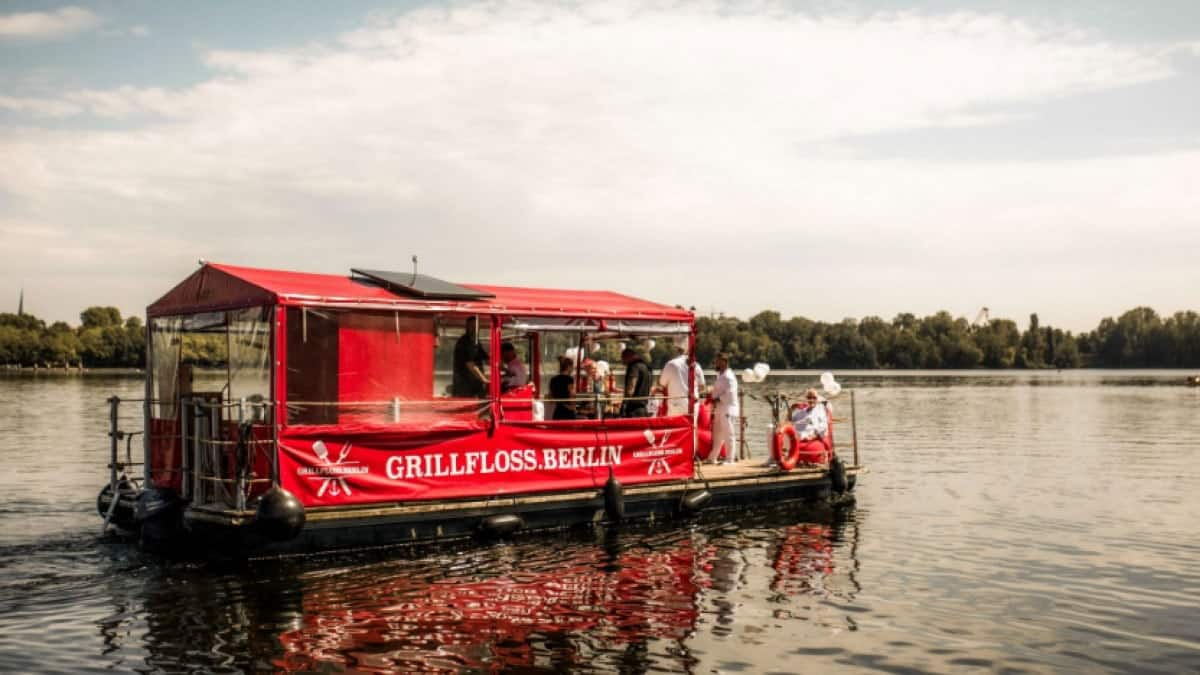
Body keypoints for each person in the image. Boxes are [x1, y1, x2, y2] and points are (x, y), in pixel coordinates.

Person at [657, 341, 705, 417]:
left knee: (675, 428)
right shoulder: (696, 365)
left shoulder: (671, 364)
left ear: (676, 350)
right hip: (693, 404)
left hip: (676, 406)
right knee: (692, 428)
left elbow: (662, 383)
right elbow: (702, 387)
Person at [707, 352, 739, 463]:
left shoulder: (729, 377)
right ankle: (713, 457)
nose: (715, 363)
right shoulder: (720, 375)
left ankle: (730, 459)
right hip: (720, 408)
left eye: (718, 361)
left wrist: (716, 399)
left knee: (728, 433)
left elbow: (730, 394)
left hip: (728, 408)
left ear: (724, 362)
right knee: (717, 434)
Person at [451, 316, 489, 397]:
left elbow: (486, 358)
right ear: (467, 327)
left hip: (475, 384)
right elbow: (470, 365)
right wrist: (484, 380)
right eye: (472, 326)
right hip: (464, 386)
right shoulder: (463, 342)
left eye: (476, 327)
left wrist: (504, 368)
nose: (475, 329)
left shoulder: (476, 342)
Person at [620, 347, 652, 418]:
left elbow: (631, 386)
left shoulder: (633, 367)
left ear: (628, 357)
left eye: (623, 359)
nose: (623, 362)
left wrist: (625, 403)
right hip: (643, 407)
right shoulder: (646, 367)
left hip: (633, 409)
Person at [549, 356, 576, 420]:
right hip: (568, 412)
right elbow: (572, 394)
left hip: (557, 412)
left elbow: (550, 397)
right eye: (572, 367)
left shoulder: (553, 379)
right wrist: (573, 406)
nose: (573, 369)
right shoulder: (569, 379)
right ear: (568, 367)